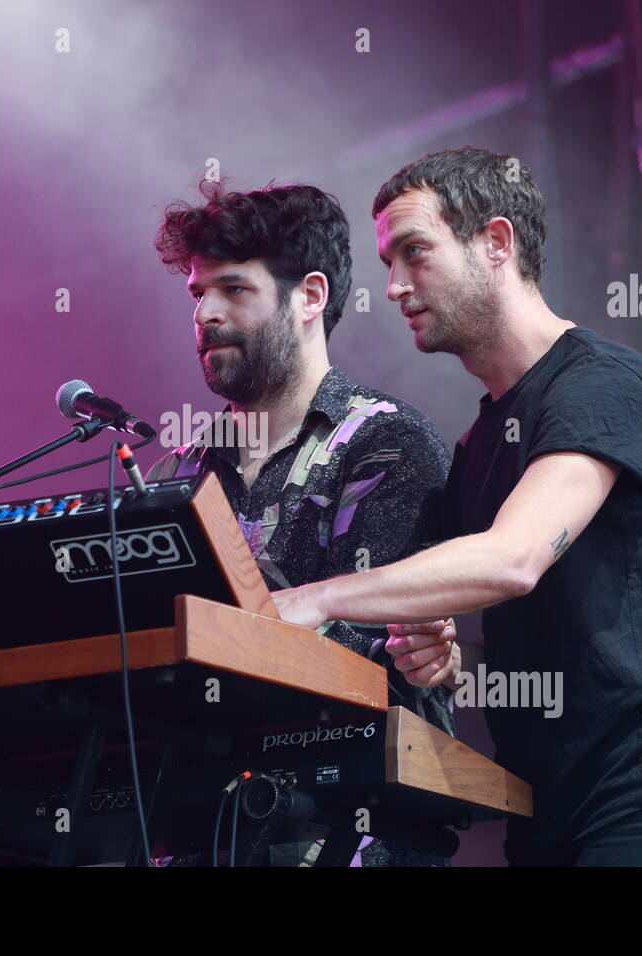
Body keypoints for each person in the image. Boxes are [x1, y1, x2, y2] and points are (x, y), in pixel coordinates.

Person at [273, 146, 642, 866]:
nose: (394, 286)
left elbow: (515, 559)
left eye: (415, 252)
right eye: (387, 264)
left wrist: (316, 600)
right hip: (542, 810)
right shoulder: (479, 442)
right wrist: (445, 650)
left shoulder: (604, 386)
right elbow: (490, 616)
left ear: (496, 242)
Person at [148, 179, 460, 866]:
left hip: (355, 836)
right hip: (203, 834)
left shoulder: (387, 444)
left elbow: (385, 664)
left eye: (233, 289)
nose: (205, 312)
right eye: (197, 294)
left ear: (310, 296)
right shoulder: (181, 475)